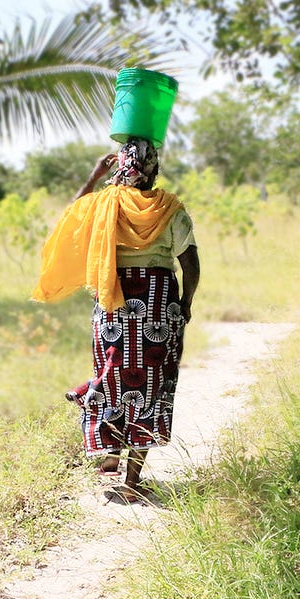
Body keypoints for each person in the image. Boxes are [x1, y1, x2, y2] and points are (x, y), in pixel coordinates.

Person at [32, 138, 200, 503]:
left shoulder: (105, 205)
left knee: (111, 375)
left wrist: (95, 174)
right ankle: (132, 479)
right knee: (152, 386)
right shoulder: (170, 209)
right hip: (158, 305)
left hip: (113, 300)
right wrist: (185, 303)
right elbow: (190, 263)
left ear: (120, 169)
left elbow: (72, 216)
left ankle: (110, 452)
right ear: (154, 170)